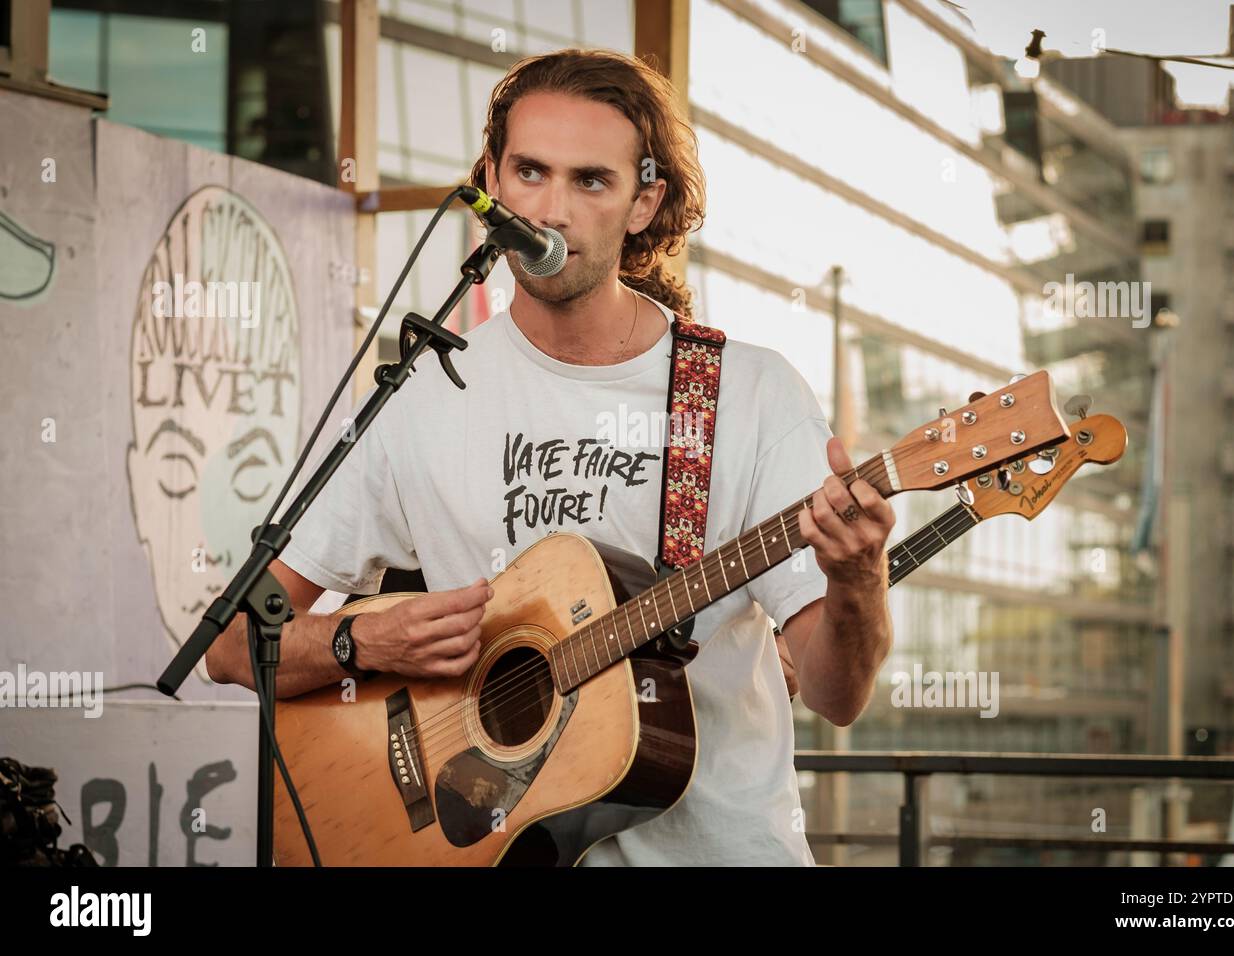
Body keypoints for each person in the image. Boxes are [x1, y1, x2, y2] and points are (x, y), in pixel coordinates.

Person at [206, 48, 895, 866]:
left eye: (590, 181)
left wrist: (858, 579)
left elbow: (835, 694)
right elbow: (233, 643)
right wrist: (367, 644)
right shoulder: (421, 395)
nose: (551, 209)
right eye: (528, 172)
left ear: (645, 202)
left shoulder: (748, 393)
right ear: (489, 186)